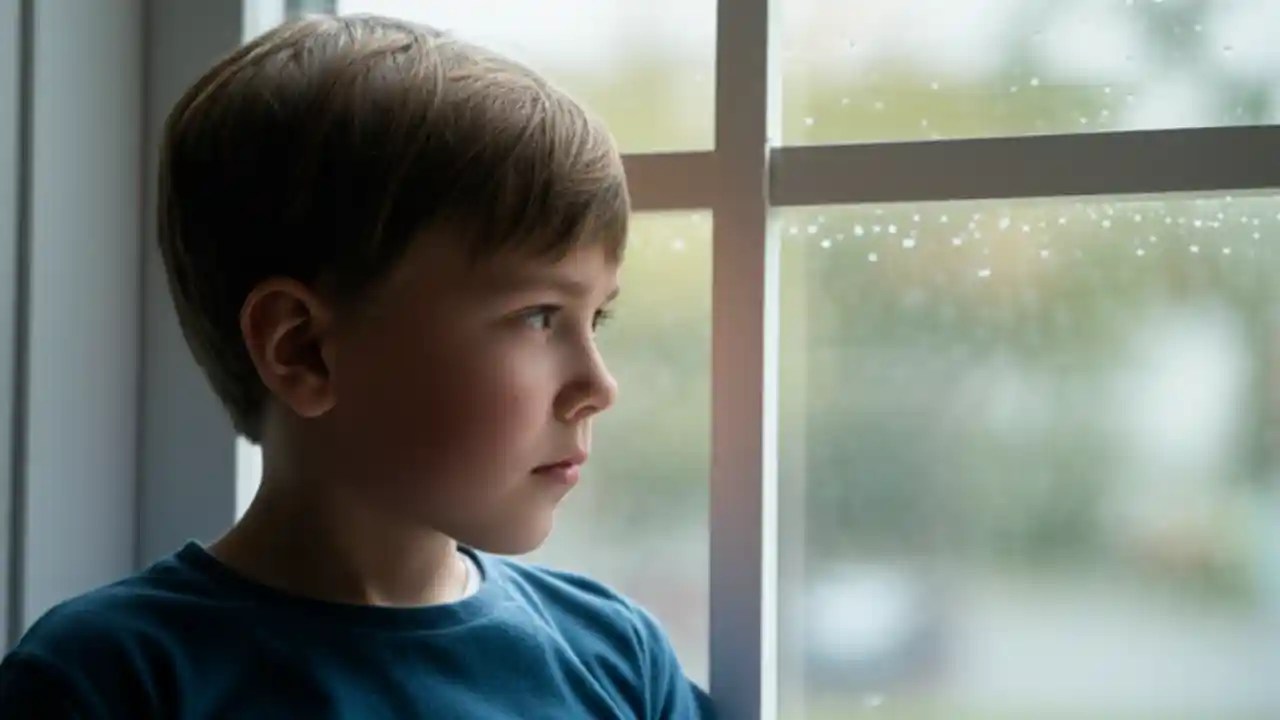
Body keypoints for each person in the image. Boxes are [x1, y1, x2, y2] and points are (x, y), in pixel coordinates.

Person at [0, 14, 713, 719]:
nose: (600, 385)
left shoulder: (619, 662)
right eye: (538, 316)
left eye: (598, 320)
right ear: (302, 350)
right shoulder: (106, 684)